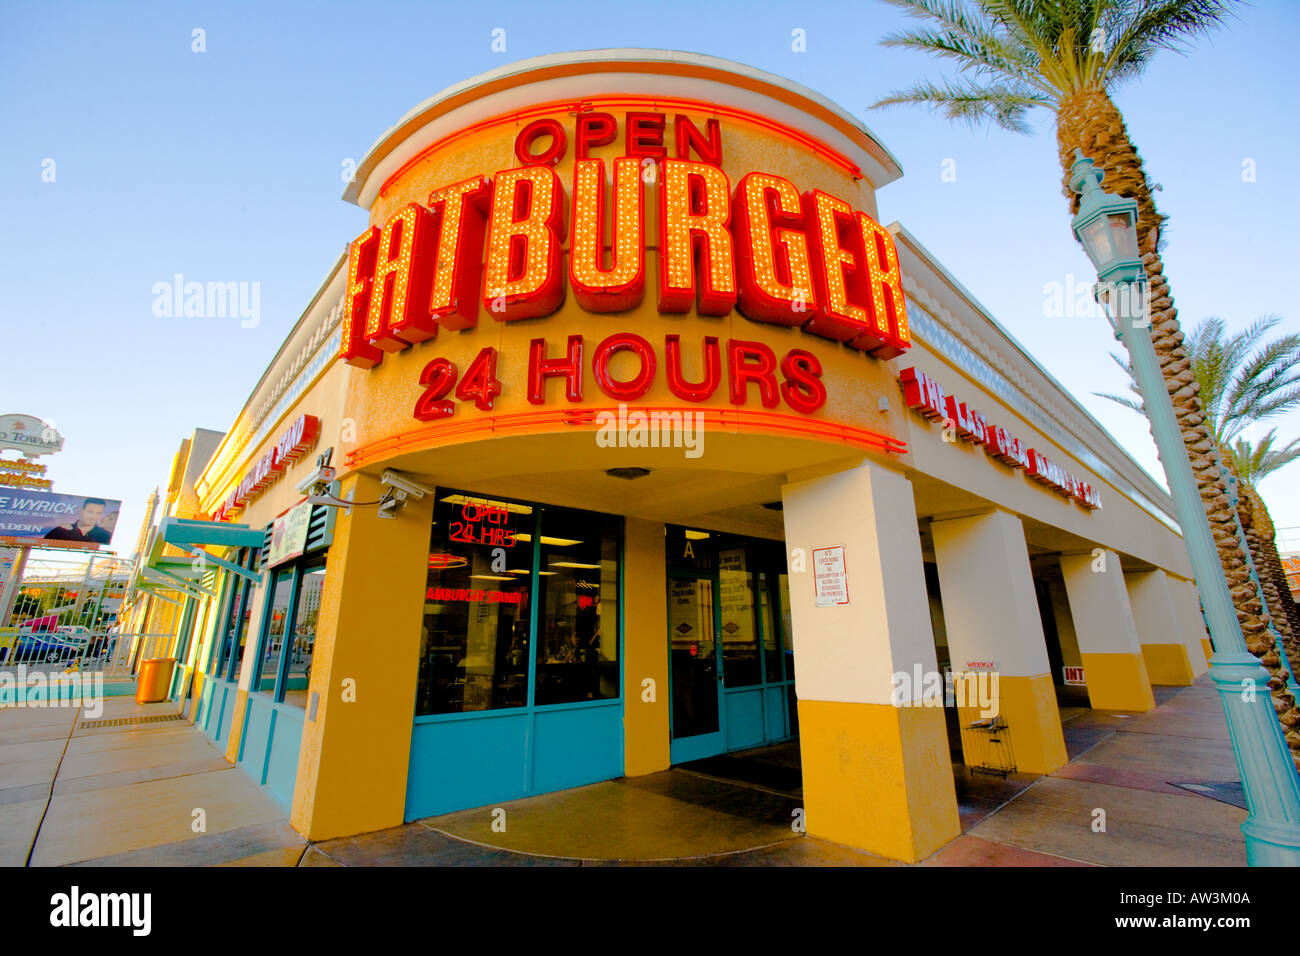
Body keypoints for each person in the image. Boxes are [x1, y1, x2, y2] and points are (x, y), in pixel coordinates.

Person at [43, 498, 110, 543]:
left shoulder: (105, 536)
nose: (93, 517)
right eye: (90, 512)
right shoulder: (60, 531)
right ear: (82, 510)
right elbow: (44, 543)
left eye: (98, 513)